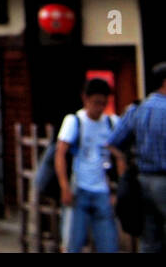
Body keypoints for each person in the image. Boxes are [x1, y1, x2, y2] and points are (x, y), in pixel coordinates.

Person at [56, 76, 120, 253]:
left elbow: (120, 156)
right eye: (96, 103)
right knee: (72, 244)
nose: (99, 108)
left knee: (108, 244)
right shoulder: (75, 121)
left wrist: (118, 188)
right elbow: (60, 154)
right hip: (79, 189)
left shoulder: (111, 122)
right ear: (85, 98)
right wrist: (64, 187)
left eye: (103, 103)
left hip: (103, 190)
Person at [109, 60, 166, 253]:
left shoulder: (137, 108)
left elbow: (113, 142)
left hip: (142, 179)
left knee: (150, 239)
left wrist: (125, 162)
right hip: (163, 179)